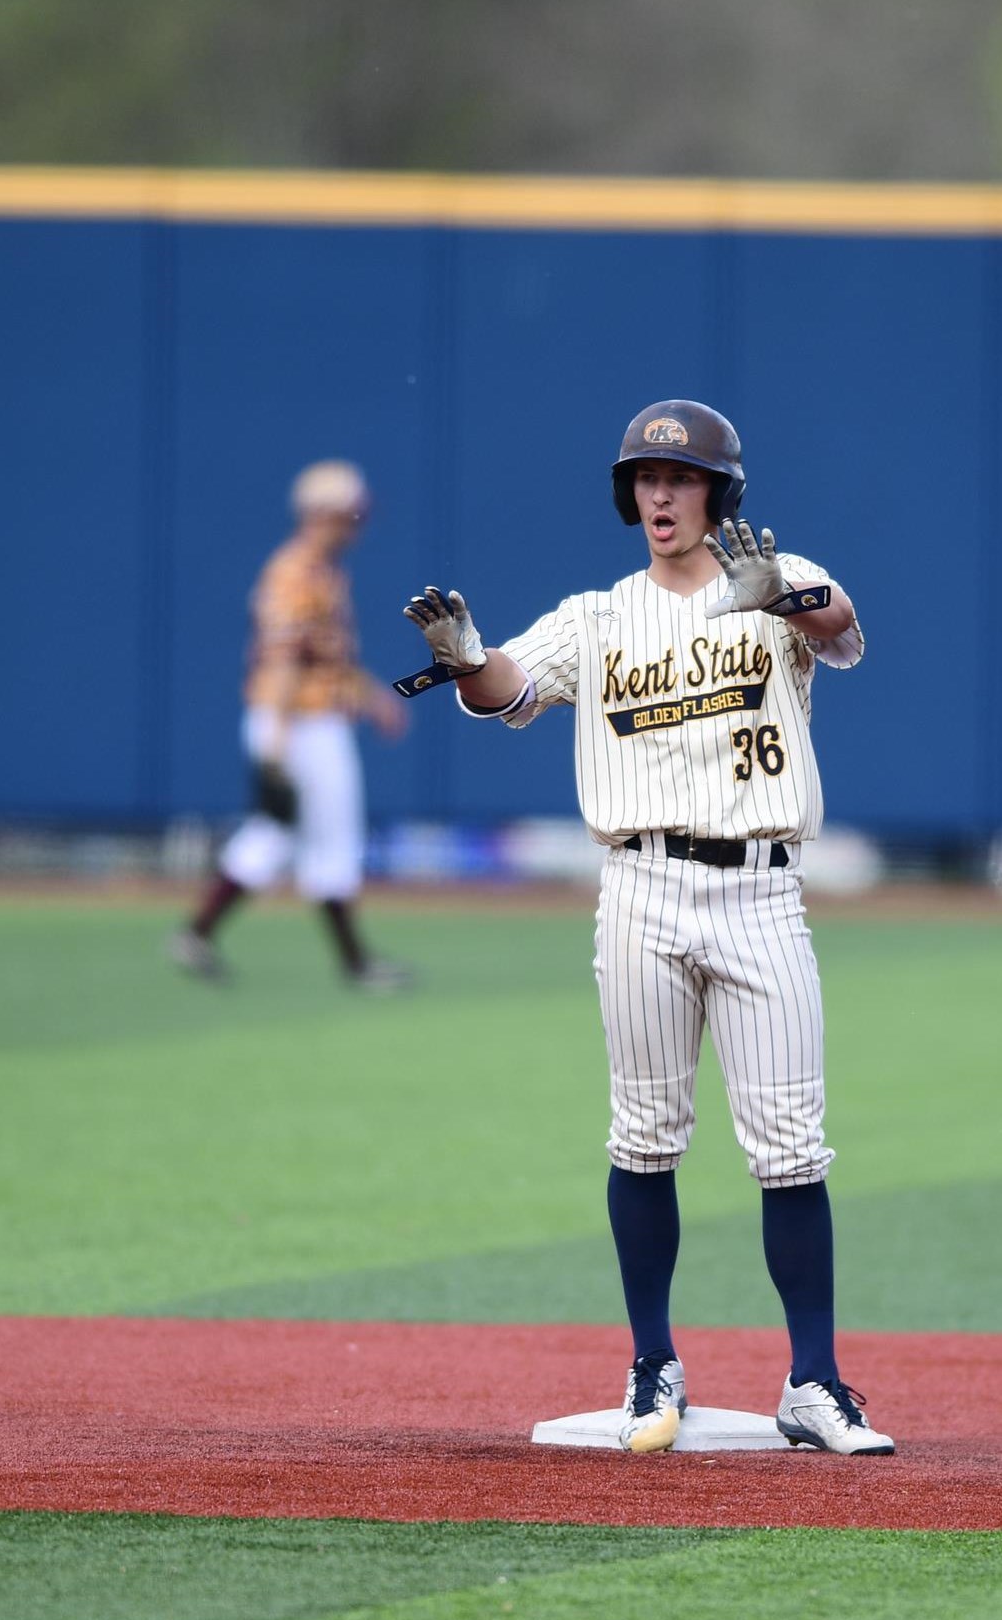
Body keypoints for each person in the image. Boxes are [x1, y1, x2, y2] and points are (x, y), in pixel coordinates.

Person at [399, 400, 891, 1454]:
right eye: (645, 479)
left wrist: (790, 596)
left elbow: (844, 631)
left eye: (680, 477)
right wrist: (466, 653)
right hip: (641, 887)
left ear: (720, 490)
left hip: (760, 887)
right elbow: (510, 689)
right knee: (645, 1133)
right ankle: (650, 1361)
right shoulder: (600, 614)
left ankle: (815, 1379)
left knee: (792, 1143)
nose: (661, 495)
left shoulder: (770, 576)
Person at [173, 459, 410, 991]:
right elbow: (282, 660)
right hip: (301, 723)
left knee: (273, 836)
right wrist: (277, 742)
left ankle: (197, 933)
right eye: (351, 513)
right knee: (332, 841)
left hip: (301, 719)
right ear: (322, 515)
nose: (358, 523)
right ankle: (356, 963)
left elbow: (326, 658)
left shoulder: (322, 571)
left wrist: (373, 699)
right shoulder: (296, 572)